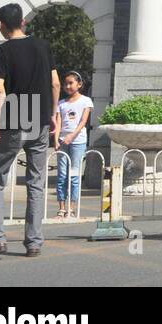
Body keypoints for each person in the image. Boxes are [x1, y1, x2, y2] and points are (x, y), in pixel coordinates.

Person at [0, 3, 59, 258]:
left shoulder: (1, 52)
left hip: (14, 119)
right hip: (39, 120)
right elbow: (55, 82)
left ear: (1, 25)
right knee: (36, 182)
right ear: (23, 22)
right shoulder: (43, 46)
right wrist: (53, 113)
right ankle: (34, 242)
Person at [54, 71, 93, 218]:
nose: (67, 86)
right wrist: (56, 140)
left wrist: (72, 136)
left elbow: (83, 121)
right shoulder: (61, 104)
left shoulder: (86, 101)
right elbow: (58, 123)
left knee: (74, 175)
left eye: (71, 83)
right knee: (62, 175)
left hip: (78, 141)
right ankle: (61, 207)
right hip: (62, 142)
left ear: (79, 84)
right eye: (65, 83)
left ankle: (72, 207)